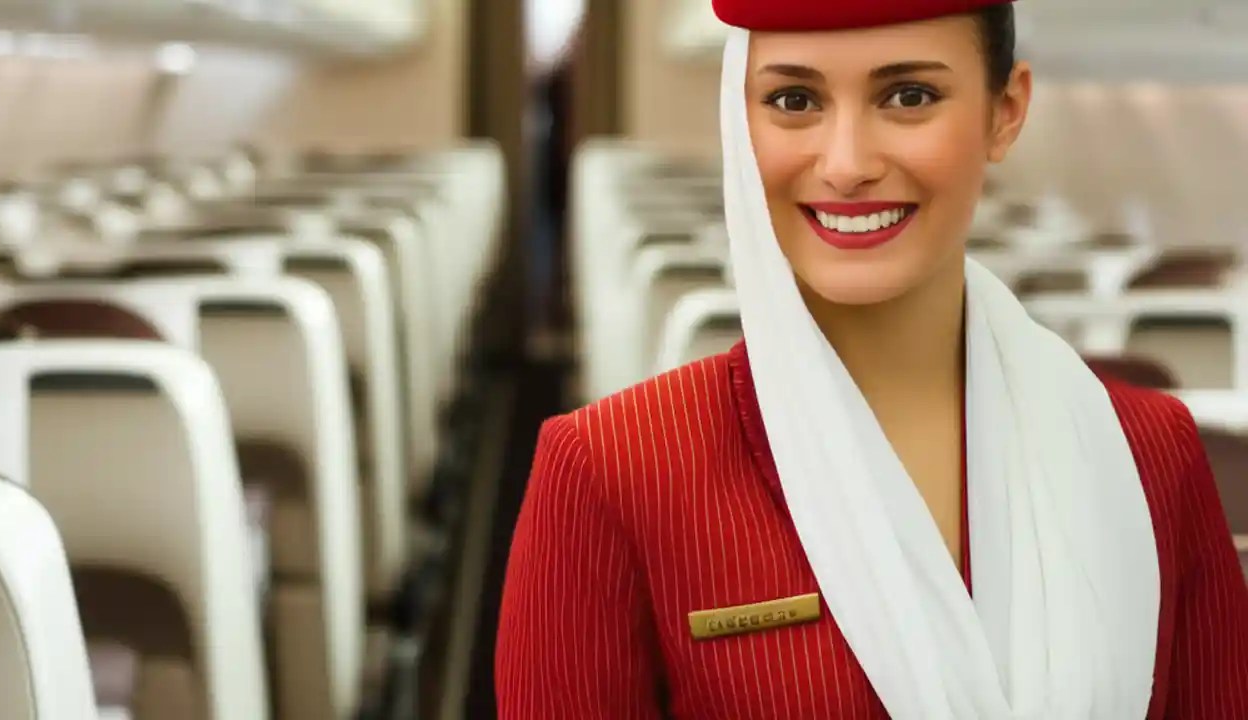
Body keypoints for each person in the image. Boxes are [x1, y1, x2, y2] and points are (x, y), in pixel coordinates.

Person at [495, 1, 1248, 717]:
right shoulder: (611, 471)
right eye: (794, 101)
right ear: (738, 119)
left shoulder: (1152, 454)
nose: (847, 163)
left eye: (909, 95)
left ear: (1005, 111)